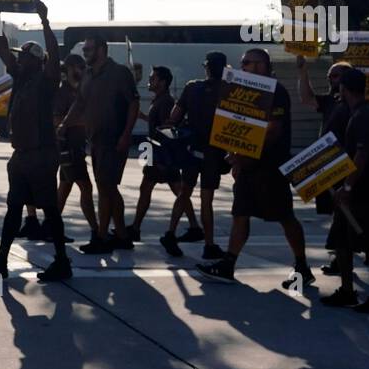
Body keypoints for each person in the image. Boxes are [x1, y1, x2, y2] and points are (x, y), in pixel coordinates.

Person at [0, 1, 72, 282]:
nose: (17, 60)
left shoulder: (47, 79)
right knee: (14, 207)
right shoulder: (21, 77)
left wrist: (45, 21)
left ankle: (62, 261)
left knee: (50, 210)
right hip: (22, 156)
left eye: (23, 56)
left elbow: (54, 55)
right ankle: (1, 260)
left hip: (41, 155)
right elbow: (1, 46)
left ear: (35, 61)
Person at [196, 49, 314, 286]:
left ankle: (302, 266)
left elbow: (273, 130)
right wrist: (236, 154)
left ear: (261, 65)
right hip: (250, 166)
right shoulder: (246, 91)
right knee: (240, 213)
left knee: (284, 216)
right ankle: (228, 264)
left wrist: (243, 155)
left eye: (246, 63)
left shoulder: (276, 91)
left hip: (270, 166)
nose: (242, 67)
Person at [320, 68, 369, 312]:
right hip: (356, 190)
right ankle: (347, 291)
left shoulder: (363, 116)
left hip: (364, 192)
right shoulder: (362, 113)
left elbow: (362, 154)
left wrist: (348, 186)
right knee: (341, 240)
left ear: (344, 89)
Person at [69, 35, 139, 254]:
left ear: (102, 49)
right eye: (84, 50)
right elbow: (79, 102)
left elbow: (133, 103)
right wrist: (64, 124)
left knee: (106, 187)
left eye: (88, 49)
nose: (85, 53)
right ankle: (121, 235)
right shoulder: (88, 74)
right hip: (95, 140)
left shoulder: (119, 73)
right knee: (107, 187)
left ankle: (101, 237)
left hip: (113, 139)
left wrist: (126, 135)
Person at [128, 66, 200, 256]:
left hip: (162, 153)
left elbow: (167, 128)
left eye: (153, 78)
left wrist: (163, 158)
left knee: (171, 190)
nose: (149, 81)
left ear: (163, 82)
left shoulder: (166, 102)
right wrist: (142, 116)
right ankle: (193, 226)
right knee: (176, 191)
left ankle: (135, 228)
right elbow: (156, 124)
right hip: (158, 152)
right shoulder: (159, 100)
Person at [165, 52, 227, 259]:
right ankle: (209, 245)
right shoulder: (228, 90)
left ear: (206, 67)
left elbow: (174, 116)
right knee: (206, 198)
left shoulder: (192, 87)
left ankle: (170, 233)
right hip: (213, 150)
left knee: (185, 192)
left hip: (191, 149)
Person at [297, 55, 353, 274]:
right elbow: (306, 98)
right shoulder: (331, 101)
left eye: (336, 76)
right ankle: (344, 255)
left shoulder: (354, 104)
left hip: (345, 164)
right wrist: (302, 72)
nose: (331, 80)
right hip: (330, 162)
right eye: (330, 76)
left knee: (345, 213)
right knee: (337, 213)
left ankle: (348, 256)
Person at [56, 53, 99, 244]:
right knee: (86, 187)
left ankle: (51, 227)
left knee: (64, 189)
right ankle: (95, 230)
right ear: (70, 69)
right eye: (78, 67)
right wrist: (84, 121)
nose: (81, 71)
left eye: (82, 67)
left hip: (76, 147)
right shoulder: (62, 93)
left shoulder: (80, 91)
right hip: (69, 147)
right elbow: (56, 121)